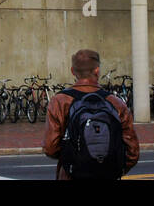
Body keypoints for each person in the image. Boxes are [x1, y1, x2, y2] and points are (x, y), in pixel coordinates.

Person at [43, 49, 140, 180]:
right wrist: (112, 168)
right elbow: (132, 151)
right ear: (97, 70)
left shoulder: (59, 101)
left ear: (73, 71)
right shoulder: (116, 103)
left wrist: (74, 159)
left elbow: (50, 148)